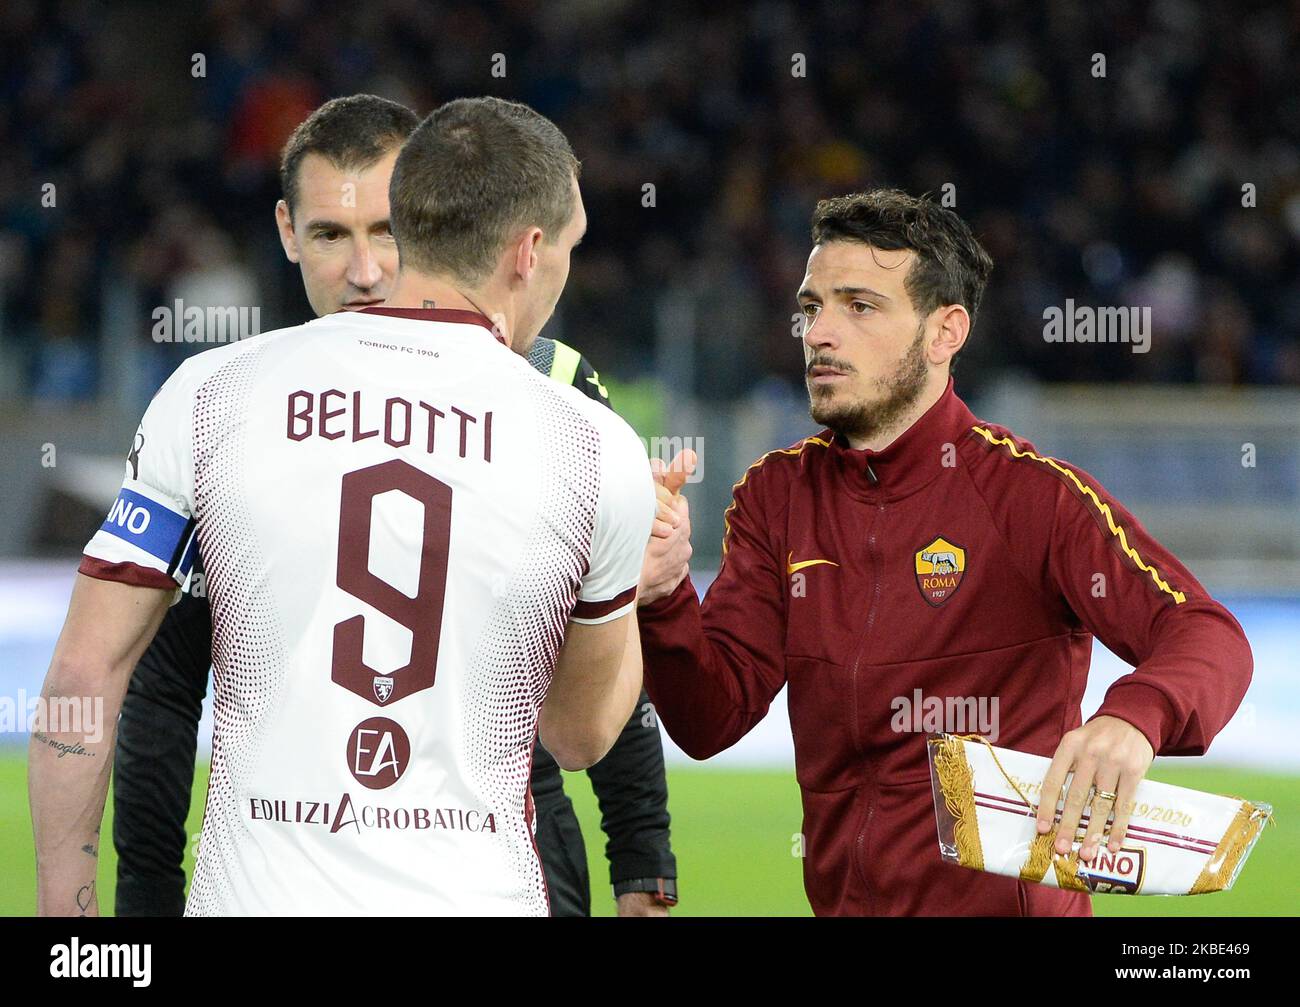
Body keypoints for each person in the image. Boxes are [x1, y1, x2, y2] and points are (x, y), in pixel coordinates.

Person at [32, 96, 656, 916]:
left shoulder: (211, 395)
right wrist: (629, 588)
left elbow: (86, 674)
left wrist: (68, 925)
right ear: (530, 249)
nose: (362, 268)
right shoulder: (590, 443)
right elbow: (580, 732)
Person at [638, 188, 1253, 916]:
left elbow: (1207, 634)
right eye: (811, 307)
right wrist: (666, 594)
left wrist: (1133, 716)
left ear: (944, 333)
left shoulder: (1033, 498)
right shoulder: (777, 496)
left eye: (859, 306)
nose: (819, 332)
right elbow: (711, 718)